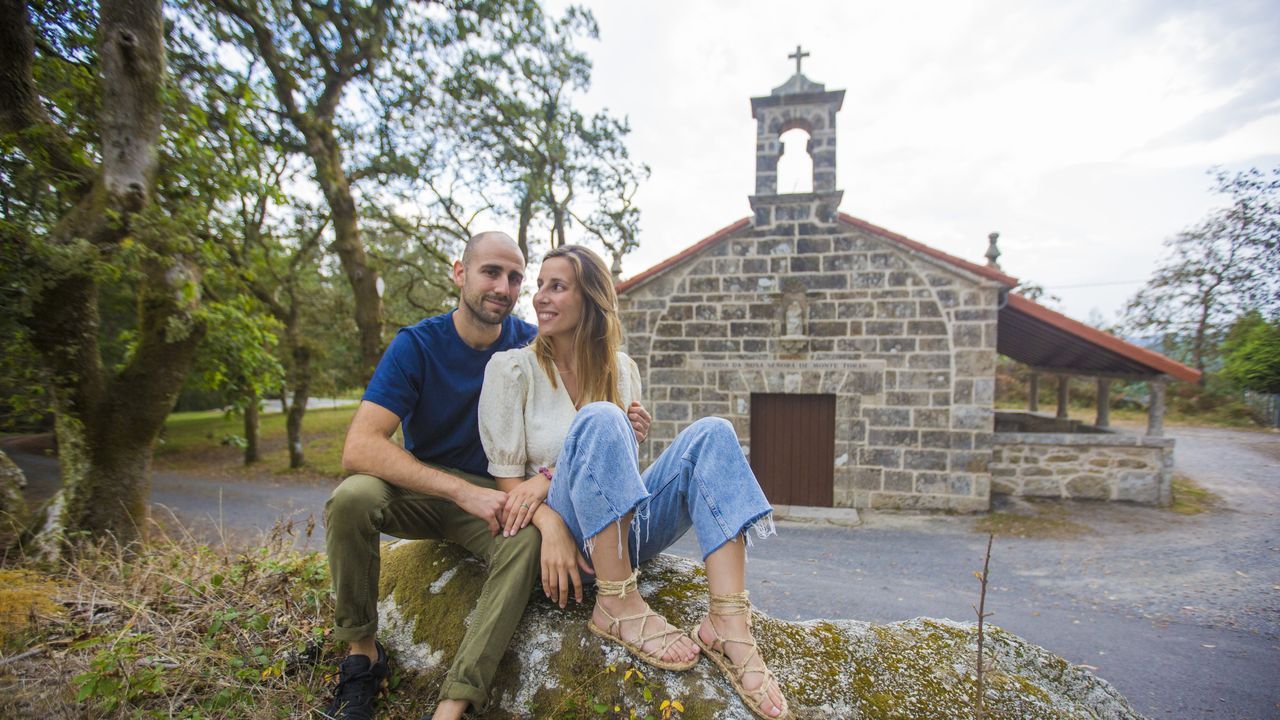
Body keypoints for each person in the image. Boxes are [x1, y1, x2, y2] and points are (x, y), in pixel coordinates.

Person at [322, 231, 653, 720]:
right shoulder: (418, 345)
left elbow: (575, 431)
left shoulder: (534, 346)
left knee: (522, 546)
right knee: (351, 499)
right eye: (490, 272)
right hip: (426, 485)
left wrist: (624, 432)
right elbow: (360, 447)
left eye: (515, 277)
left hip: (502, 496)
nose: (504, 286)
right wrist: (460, 491)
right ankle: (361, 657)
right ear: (460, 273)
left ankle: (458, 698)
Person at [478, 244, 792, 720]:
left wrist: (629, 440)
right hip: (559, 540)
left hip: (619, 535)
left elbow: (616, 478)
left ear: (591, 299)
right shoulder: (512, 369)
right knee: (603, 418)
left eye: (556, 286)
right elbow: (509, 489)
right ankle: (617, 604)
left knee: (714, 432)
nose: (539, 297)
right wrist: (552, 515)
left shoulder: (622, 370)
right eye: (539, 285)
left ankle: (728, 622)